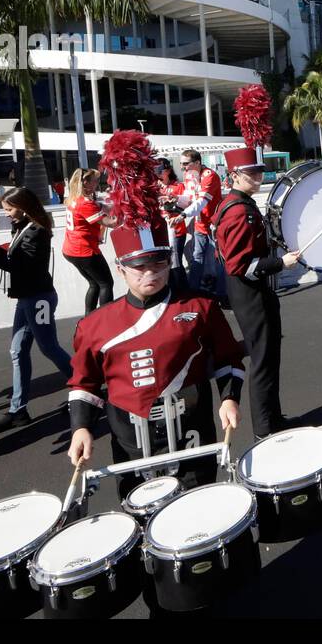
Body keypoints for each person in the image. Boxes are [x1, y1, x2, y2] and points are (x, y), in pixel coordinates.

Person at [66, 218, 245, 499]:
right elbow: (84, 385)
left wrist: (229, 398)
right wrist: (81, 428)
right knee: (141, 520)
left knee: (200, 513)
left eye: (159, 263)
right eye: (139, 266)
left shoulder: (201, 307)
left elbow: (229, 359)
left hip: (193, 438)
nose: (150, 273)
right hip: (132, 446)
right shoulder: (94, 325)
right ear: (120, 269)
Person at [213, 142, 303, 438]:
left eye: (259, 171)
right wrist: (280, 263)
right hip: (250, 292)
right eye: (252, 172)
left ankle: (272, 418)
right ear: (235, 174)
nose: (258, 176)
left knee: (268, 355)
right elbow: (238, 265)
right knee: (263, 359)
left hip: (248, 291)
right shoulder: (240, 212)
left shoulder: (237, 204)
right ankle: (265, 428)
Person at [0, 187, 72, 432]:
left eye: (9, 209)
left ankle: (85, 387)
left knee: (49, 348)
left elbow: (25, 267)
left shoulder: (35, 231)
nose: (7, 214)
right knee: (18, 351)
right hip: (29, 298)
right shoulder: (26, 227)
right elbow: (20, 260)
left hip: (38, 299)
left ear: (24, 206)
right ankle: (18, 409)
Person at [62, 168, 116, 314]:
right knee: (106, 283)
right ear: (85, 182)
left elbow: (99, 208)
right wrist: (124, 214)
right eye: (95, 180)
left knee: (94, 284)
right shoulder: (85, 203)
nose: (98, 183)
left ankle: (89, 318)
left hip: (71, 250)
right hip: (84, 251)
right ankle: (106, 319)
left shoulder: (73, 198)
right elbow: (110, 223)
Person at [176, 150, 227, 301]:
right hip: (200, 224)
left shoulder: (209, 175)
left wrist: (184, 214)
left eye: (186, 164)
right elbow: (188, 198)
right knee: (196, 257)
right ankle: (193, 292)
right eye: (181, 164)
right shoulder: (189, 176)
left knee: (220, 260)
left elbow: (201, 202)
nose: (182, 167)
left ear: (197, 163)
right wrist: (173, 199)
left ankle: (222, 294)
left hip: (214, 225)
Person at [155, 158, 190, 286]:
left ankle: (183, 290)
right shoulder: (154, 187)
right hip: (161, 231)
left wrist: (171, 203)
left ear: (168, 171)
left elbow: (185, 206)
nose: (157, 174)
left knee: (176, 263)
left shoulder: (178, 186)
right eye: (155, 171)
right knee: (165, 263)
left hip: (177, 230)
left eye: (160, 171)